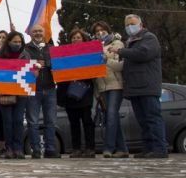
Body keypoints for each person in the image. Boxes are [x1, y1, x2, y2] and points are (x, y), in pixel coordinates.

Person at [109, 14, 167, 158]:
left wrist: (120, 51)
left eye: (132, 23)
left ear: (141, 24)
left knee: (152, 118)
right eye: (127, 25)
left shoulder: (149, 38)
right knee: (142, 120)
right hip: (136, 87)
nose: (130, 27)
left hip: (148, 86)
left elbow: (143, 54)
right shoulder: (131, 41)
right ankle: (148, 148)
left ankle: (159, 149)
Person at [92, 21, 129, 158]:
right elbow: (93, 73)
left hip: (116, 85)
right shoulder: (93, 47)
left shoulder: (117, 44)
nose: (100, 33)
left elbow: (120, 66)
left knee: (112, 114)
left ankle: (108, 147)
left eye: (102, 30)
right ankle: (122, 149)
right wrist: (97, 92)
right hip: (102, 87)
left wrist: (106, 59)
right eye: (97, 32)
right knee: (111, 117)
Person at [56, 29, 95, 158]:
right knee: (74, 123)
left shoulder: (89, 54)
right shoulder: (65, 55)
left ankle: (90, 148)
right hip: (70, 94)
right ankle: (76, 148)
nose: (75, 40)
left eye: (78, 37)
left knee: (87, 122)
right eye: (73, 38)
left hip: (84, 92)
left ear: (83, 39)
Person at [23, 24, 59, 159]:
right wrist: (33, 65)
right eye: (35, 31)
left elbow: (59, 64)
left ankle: (51, 149)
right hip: (32, 89)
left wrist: (47, 64)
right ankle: (36, 150)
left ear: (44, 33)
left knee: (51, 121)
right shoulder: (25, 49)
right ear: (30, 34)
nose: (37, 33)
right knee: (33, 121)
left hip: (50, 88)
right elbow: (21, 64)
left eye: (40, 31)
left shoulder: (51, 48)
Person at [0, 31, 26, 159]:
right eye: (15, 41)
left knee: (18, 121)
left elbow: (29, 73)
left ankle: (18, 148)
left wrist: (34, 71)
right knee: (7, 121)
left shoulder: (25, 55)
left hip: (21, 93)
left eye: (19, 42)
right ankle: (9, 148)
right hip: (5, 93)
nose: (17, 44)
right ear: (8, 42)